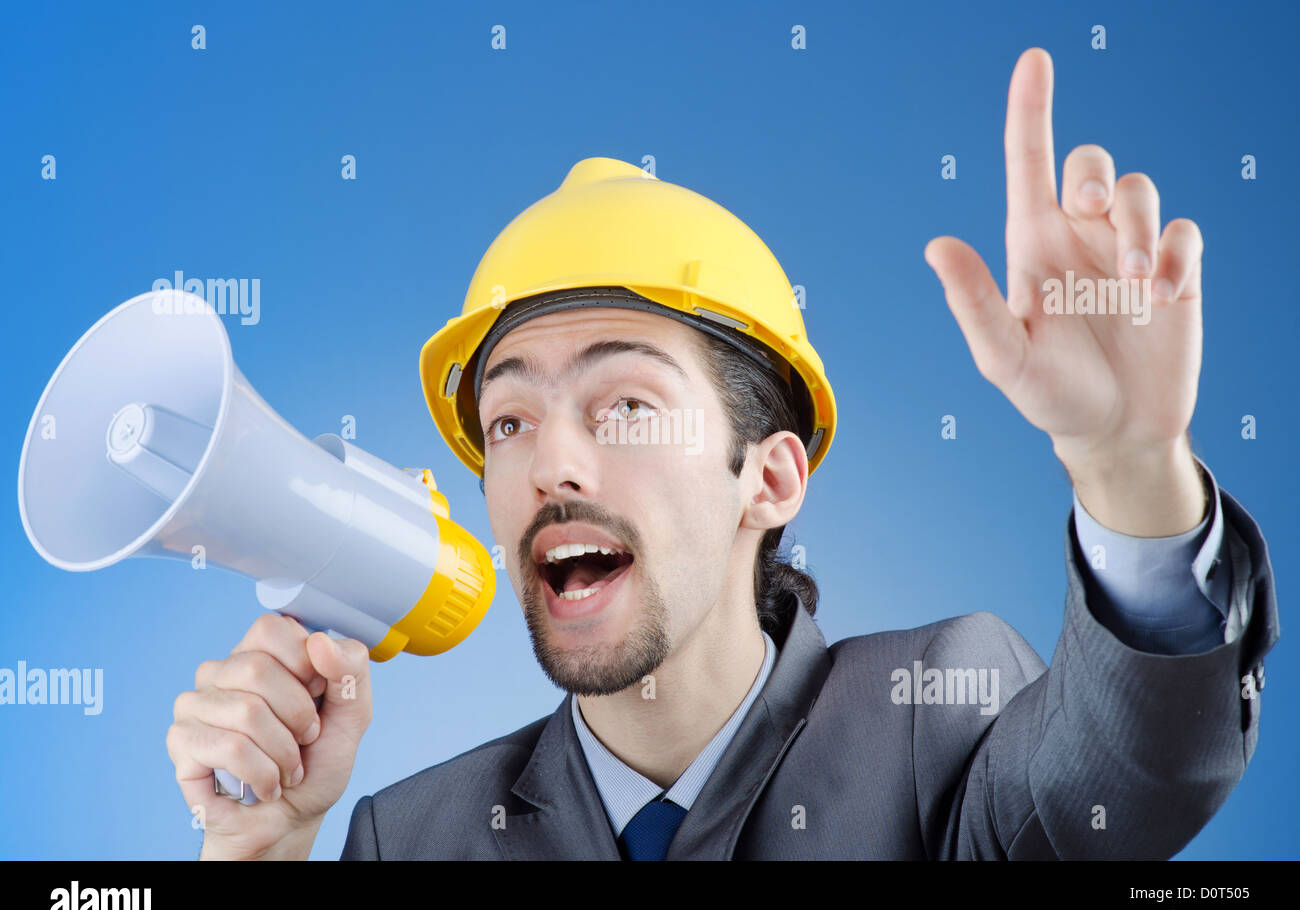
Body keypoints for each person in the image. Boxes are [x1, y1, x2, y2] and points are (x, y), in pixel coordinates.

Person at [166, 48, 1279, 860]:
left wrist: (1130, 466)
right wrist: (258, 853)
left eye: (626, 406)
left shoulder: (933, 716)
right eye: (508, 422)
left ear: (772, 476)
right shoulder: (409, 837)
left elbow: (1129, 777)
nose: (554, 464)